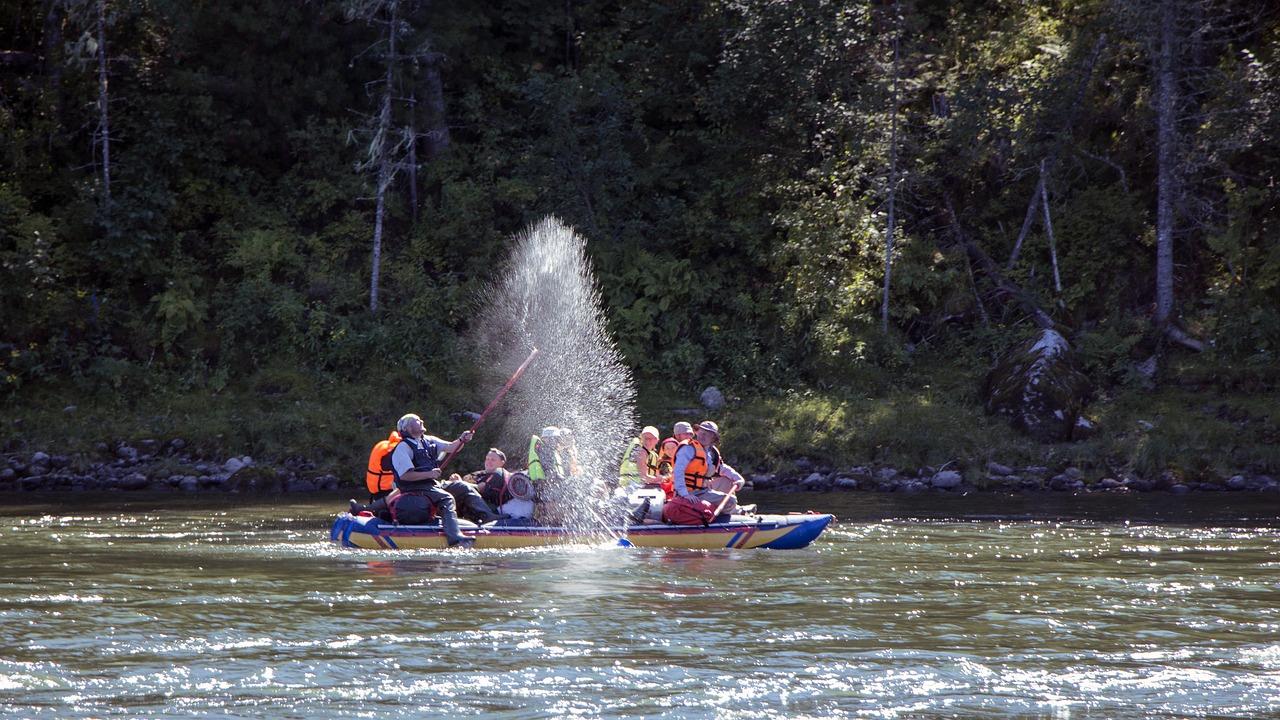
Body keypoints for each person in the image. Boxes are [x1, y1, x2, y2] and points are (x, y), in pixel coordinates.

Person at [350, 413, 477, 548]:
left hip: (429, 485)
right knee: (447, 498)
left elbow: (452, 447)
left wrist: (462, 439)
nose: (421, 420)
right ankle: (455, 538)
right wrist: (429, 474)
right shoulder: (403, 448)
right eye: (417, 420)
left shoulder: (429, 440)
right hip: (414, 487)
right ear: (408, 429)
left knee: (449, 492)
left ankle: (450, 524)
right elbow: (406, 476)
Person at [671, 420, 745, 516]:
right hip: (687, 494)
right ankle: (734, 512)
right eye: (701, 432)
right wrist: (685, 494)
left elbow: (722, 468)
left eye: (707, 434)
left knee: (730, 493)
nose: (702, 436)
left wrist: (739, 479)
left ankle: (729, 512)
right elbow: (678, 471)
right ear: (697, 433)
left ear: (713, 438)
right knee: (731, 501)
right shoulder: (688, 448)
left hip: (703, 491)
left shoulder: (712, 452)